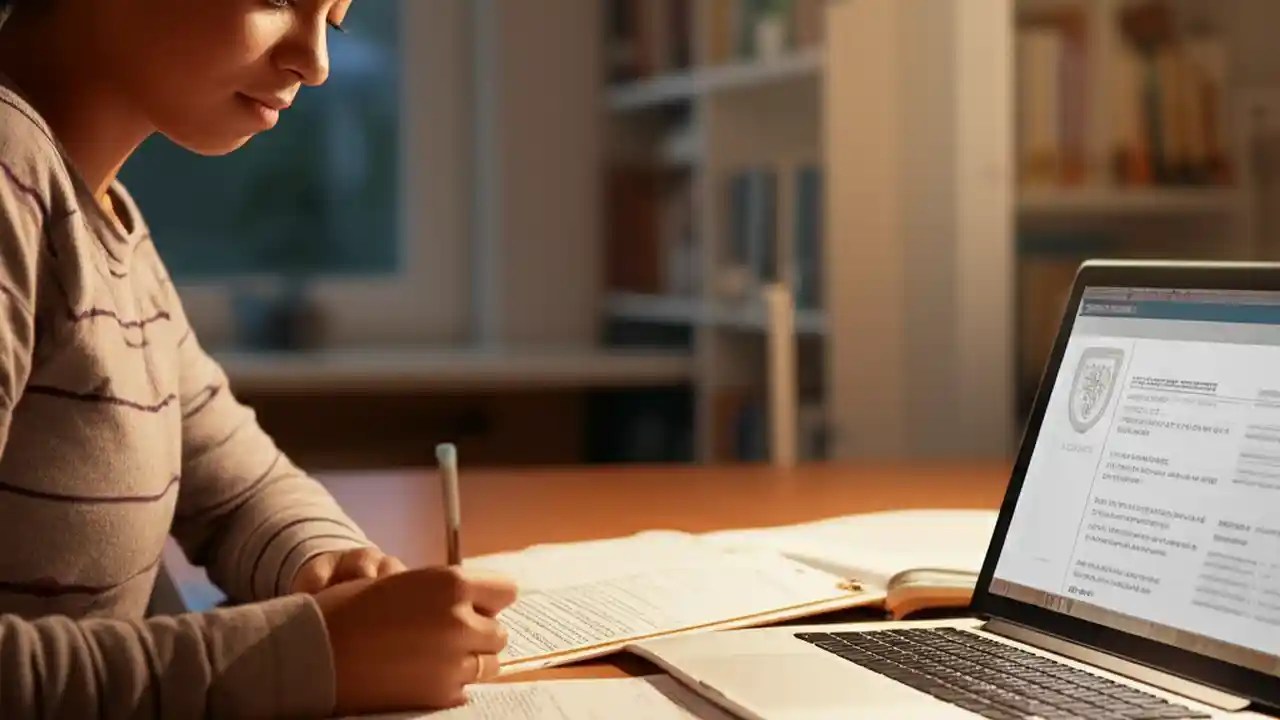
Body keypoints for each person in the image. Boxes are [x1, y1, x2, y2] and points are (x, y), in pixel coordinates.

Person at [0, 0, 517, 716]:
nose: (315, 63)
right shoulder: (8, 177)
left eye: (332, 19)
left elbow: (238, 486)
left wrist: (333, 567)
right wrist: (310, 655)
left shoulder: (102, 219)